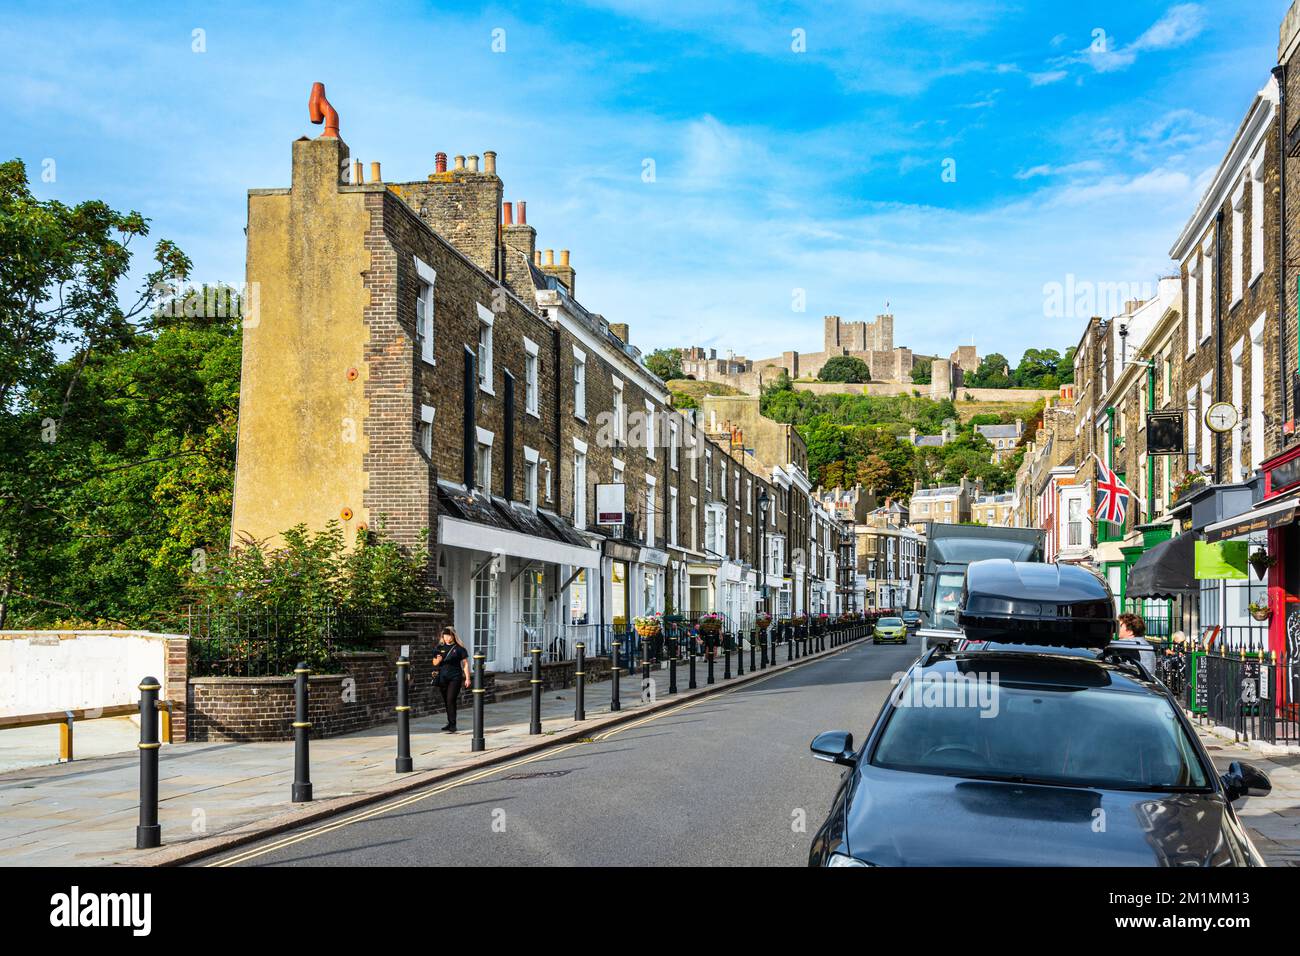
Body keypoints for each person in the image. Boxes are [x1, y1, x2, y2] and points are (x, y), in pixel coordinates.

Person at [431, 626, 471, 733]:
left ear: (453, 636)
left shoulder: (459, 649)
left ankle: (453, 725)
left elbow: (465, 664)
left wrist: (467, 678)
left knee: (450, 699)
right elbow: (434, 663)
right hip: (442, 678)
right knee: (446, 701)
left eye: (449, 635)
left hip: (455, 677)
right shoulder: (439, 647)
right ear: (442, 636)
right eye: (445, 636)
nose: (447, 638)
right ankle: (449, 723)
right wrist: (438, 660)